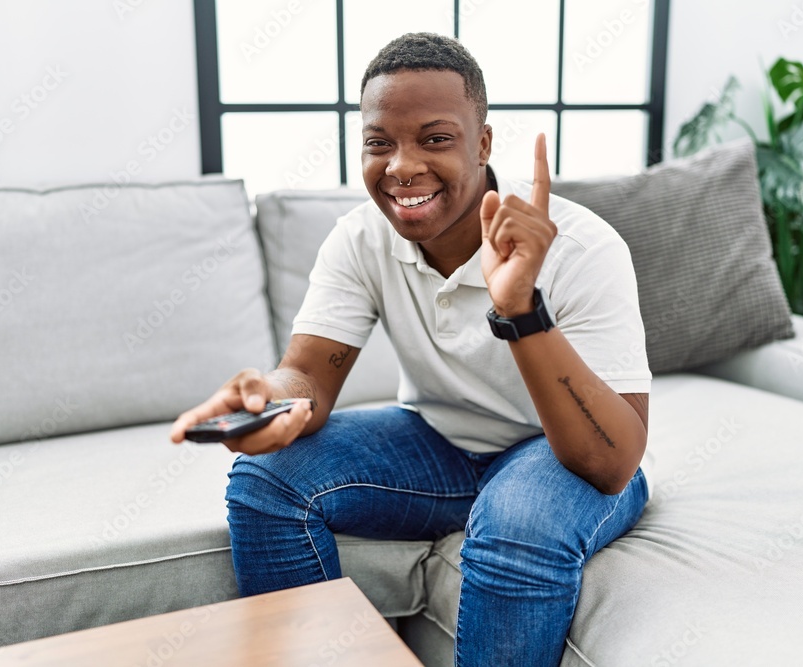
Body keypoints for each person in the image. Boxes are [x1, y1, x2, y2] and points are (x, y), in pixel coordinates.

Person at [171, 32, 651, 667]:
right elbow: (307, 377)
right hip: (441, 444)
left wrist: (520, 310)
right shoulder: (360, 239)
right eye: (378, 143)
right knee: (265, 478)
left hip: (558, 453)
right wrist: (270, 400)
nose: (400, 166)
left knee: (516, 525)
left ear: (482, 143)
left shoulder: (584, 249)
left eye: (434, 139)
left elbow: (611, 462)